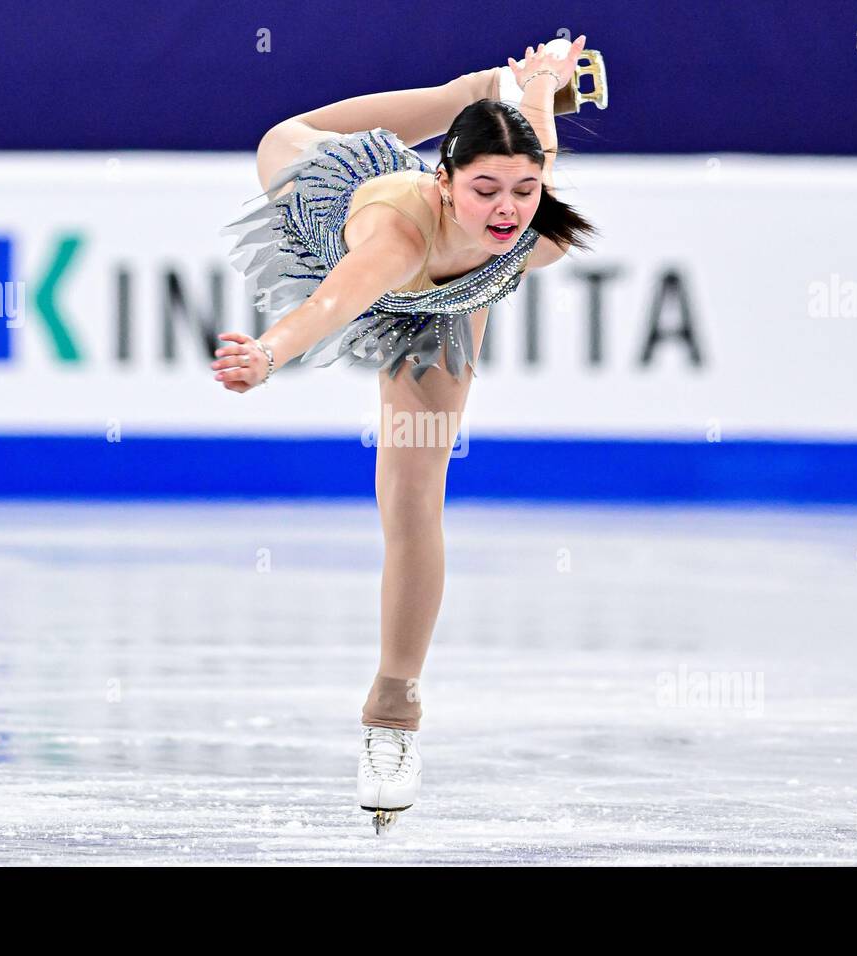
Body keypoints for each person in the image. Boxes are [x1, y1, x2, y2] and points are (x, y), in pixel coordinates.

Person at [219, 37, 606, 833]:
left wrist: (542, 80)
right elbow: (330, 306)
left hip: (443, 312)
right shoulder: (394, 238)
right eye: (486, 189)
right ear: (445, 180)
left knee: (411, 497)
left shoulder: (534, 229)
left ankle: (392, 714)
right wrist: (265, 354)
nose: (507, 207)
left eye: (524, 189)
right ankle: (472, 88)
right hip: (341, 218)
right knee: (280, 135)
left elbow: (538, 136)